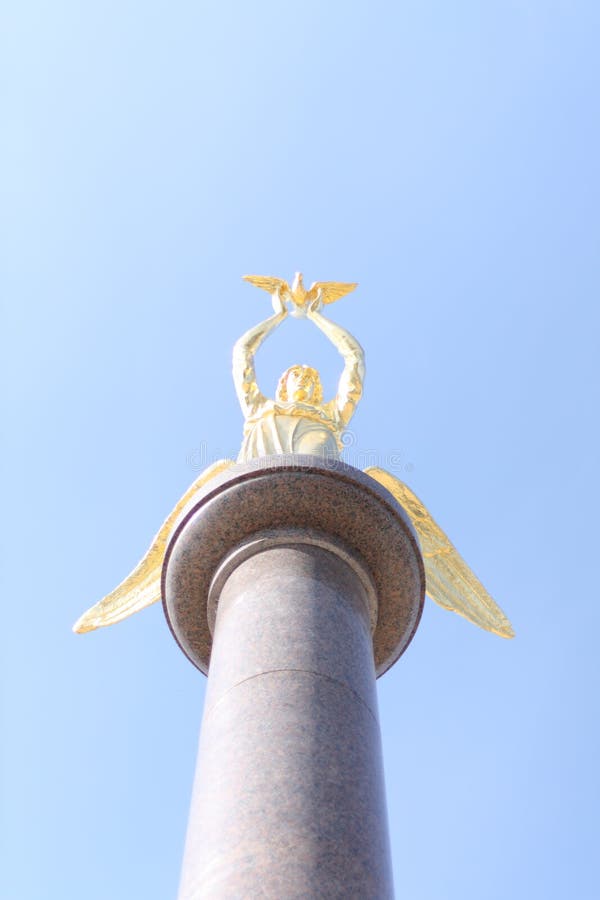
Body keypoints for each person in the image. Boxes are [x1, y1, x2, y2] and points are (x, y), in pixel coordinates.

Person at [232, 290, 365, 461]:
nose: (302, 379)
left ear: (316, 390)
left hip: (315, 453)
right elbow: (242, 351)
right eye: (295, 375)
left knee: (314, 471)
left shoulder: (332, 414)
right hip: (259, 467)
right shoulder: (259, 408)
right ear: (283, 385)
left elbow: (355, 356)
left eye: (309, 379)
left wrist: (315, 316)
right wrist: (279, 316)